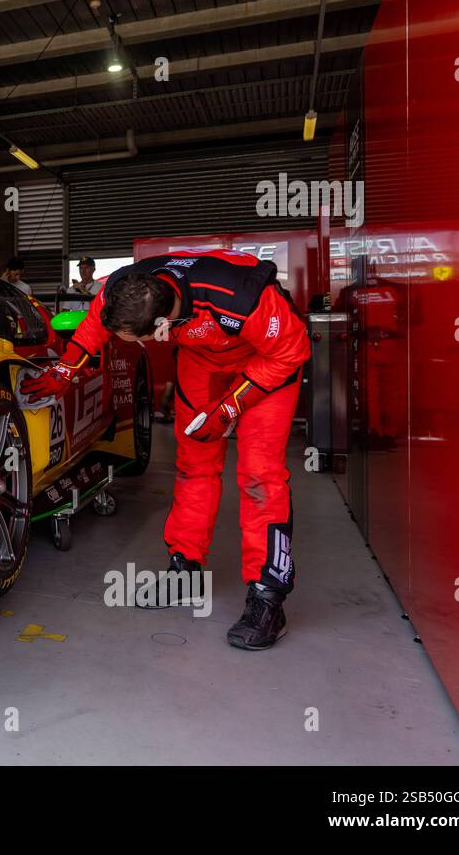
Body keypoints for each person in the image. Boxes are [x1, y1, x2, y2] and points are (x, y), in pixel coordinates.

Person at [22, 249, 311, 650]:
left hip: (268, 361)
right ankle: (185, 570)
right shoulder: (124, 287)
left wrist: (229, 408)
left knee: (259, 474)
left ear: (162, 326)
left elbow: (291, 351)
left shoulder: (244, 298)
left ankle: (268, 596)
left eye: (134, 339)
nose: (127, 342)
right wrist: (65, 370)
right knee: (194, 465)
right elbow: (93, 327)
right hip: (201, 362)